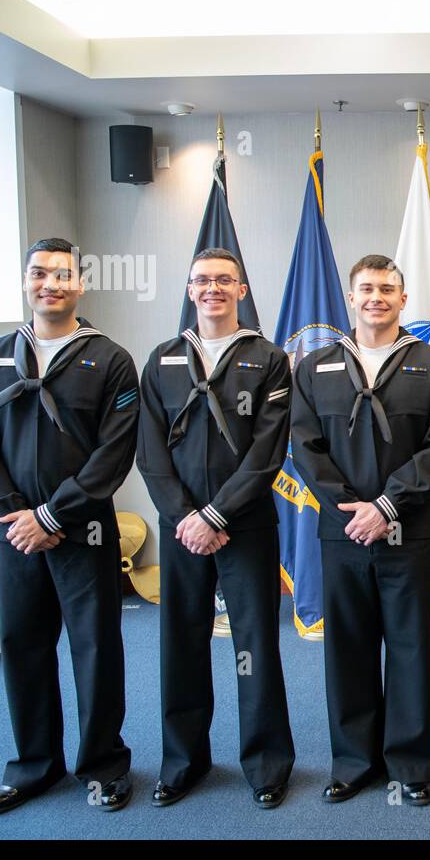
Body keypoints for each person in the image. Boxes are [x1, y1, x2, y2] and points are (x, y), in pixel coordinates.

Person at [0, 237, 139, 814]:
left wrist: (52, 514)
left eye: (63, 275)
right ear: (25, 281)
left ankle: (103, 765)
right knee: (24, 647)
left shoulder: (109, 360)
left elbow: (113, 455)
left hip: (82, 531)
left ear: (80, 284)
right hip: (15, 534)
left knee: (96, 648)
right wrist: (17, 515)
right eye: (40, 273)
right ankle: (34, 765)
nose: (51, 284)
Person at [290, 254, 430, 807]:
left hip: (406, 530)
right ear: (351, 297)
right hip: (341, 533)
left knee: (409, 646)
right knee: (348, 646)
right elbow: (305, 446)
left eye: (387, 289)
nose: (376, 298)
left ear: (403, 299)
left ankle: (412, 764)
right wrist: (350, 508)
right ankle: (353, 761)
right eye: (366, 288)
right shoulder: (316, 367)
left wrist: (387, 505)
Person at [137, 247, 297, 809]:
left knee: (255, 645)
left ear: (242, 290)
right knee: (181, 642)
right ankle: (183, 762)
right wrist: (186, 517)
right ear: (189, 289)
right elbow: (150, 452)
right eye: (203, 280)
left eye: (224, 280)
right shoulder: (160, 360)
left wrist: (218, 515)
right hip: (182, 530)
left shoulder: (269, 359)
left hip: (245, 524)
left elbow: (267, 450)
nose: (213, 289)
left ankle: (267, 764)